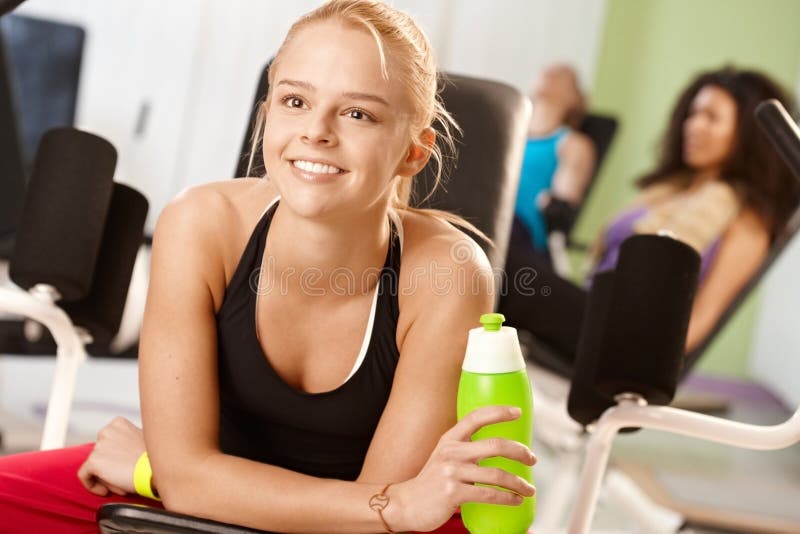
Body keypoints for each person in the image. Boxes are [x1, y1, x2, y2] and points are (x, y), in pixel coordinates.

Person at [0, 1, 537, 532]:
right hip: (269, 502)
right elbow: (197, 479)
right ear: (268, 116)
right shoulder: (199, 223)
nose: (316, 132)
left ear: (414, 153)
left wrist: (153, 472)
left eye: (358, 113)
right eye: (296, 101)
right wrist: (178, 479)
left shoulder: (449, 271)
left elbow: (381, 519)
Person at [500, 66, 800, 364]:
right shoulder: (667, 193)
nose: (693, 125)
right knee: (492, 257)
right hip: (594, 308)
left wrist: (650, 371)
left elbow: (704, 317)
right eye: (692, 114)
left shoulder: (747, 221)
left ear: (747, 134)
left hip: (629, 339)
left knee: (503, 264)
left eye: (711, 117)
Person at [513, 64, 596, 257]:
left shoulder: (573, 143)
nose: (550, 73)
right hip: (484, 217)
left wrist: (554, 202)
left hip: (521, 232)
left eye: (563, 76)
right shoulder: (512, 134)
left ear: (575, 98)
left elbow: (561, 206)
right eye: (547, 71)